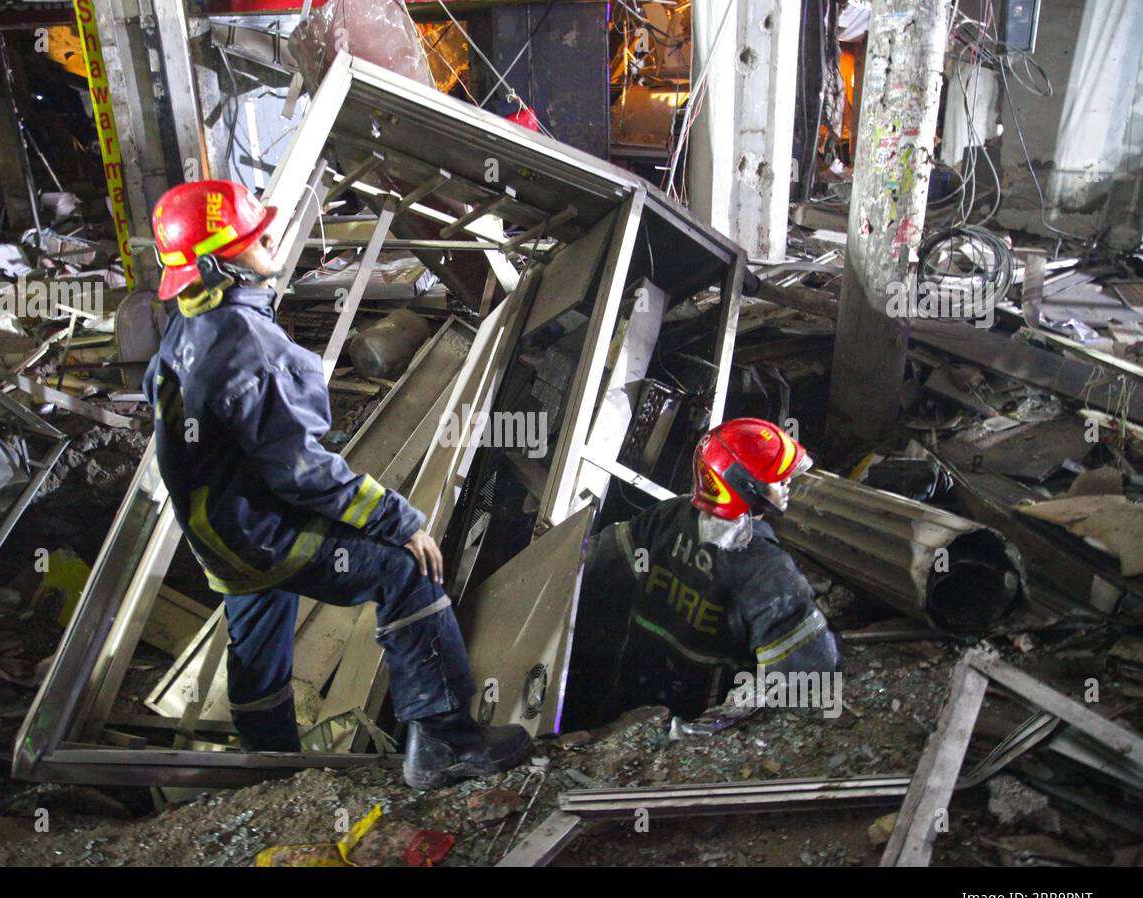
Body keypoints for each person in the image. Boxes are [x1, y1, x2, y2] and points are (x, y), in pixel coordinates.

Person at [142, 180, 531, 789]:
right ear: (220, 262)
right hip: (270, 532)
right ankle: (447, 747)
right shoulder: (247, 345)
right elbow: (301, 470)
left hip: (224, 536)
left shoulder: (185, 330)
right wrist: (399, 521)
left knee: (258, 633)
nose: (268, 236)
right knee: (407, 572)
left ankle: (269, 770)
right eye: (251, 236)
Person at [570, 418, 842, 727]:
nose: (788, 483)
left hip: (627, 698)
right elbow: (812, 668)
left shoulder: (670, 515)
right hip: (696, 719)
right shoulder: (767, 570)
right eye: (778, 479)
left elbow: (590, 567)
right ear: (745, 486)